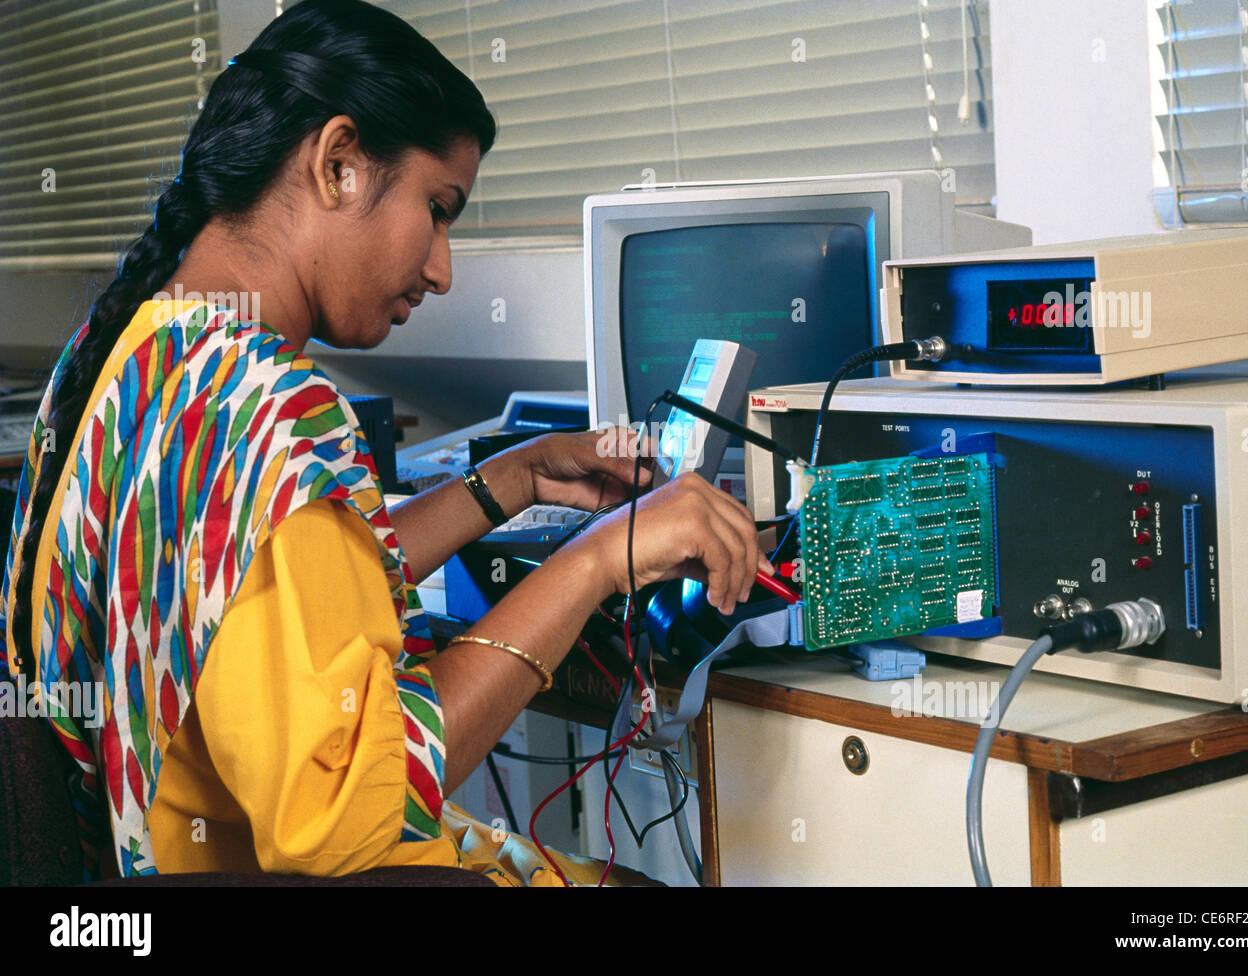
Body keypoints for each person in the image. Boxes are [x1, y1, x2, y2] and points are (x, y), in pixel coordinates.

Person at [0, 0, 768, 886]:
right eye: (438, 210)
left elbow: (263, 595)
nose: (442, 269)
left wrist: (509, 480)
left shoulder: (134, 350)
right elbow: (351, 819)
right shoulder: (274, 408)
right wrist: (596, 563)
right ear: (337, 165)